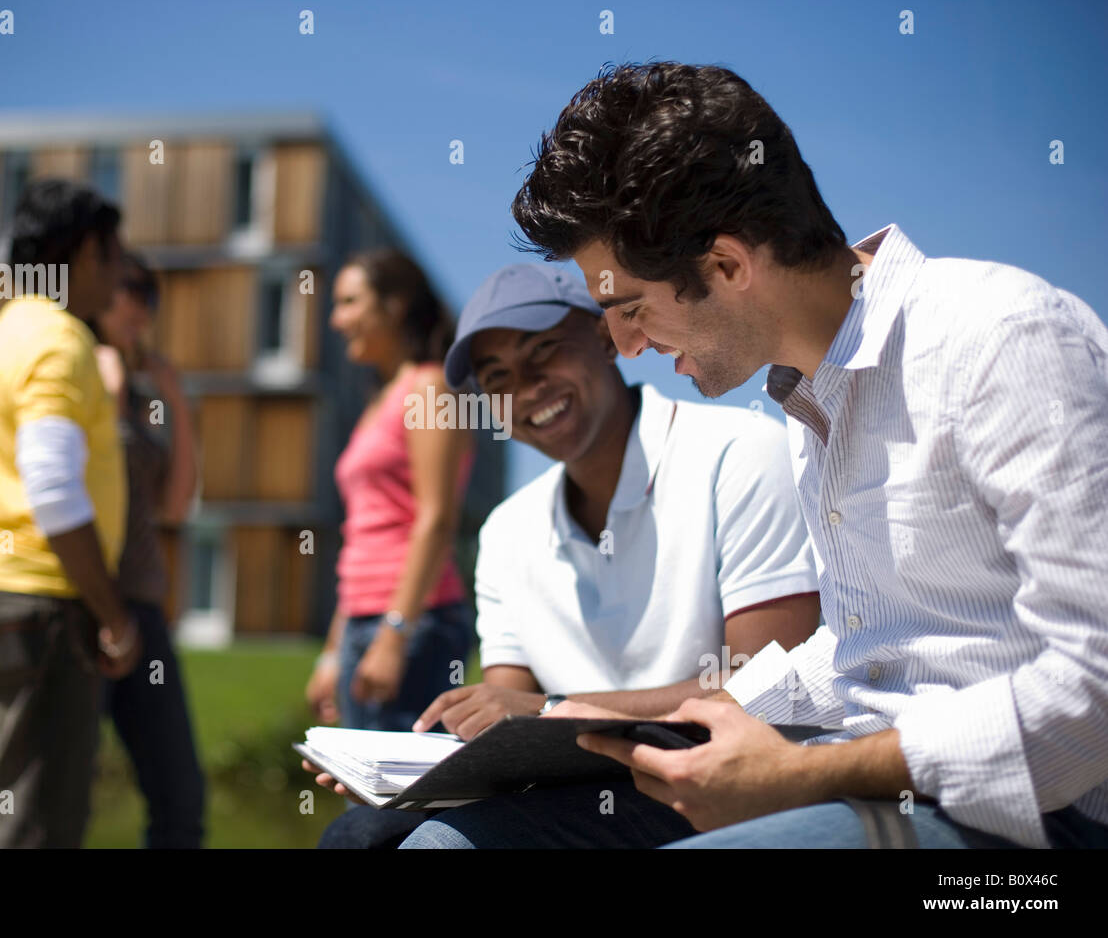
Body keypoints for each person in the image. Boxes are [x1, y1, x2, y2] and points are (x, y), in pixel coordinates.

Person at [422, 58, 1108, 850]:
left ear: (726, 266)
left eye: (630, 308)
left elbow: (1091, 696)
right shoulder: (808, 399)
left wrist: (802, 777)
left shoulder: (1000, 340)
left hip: (1033, 830)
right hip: (873, 781)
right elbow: (859, 659)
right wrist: (664, 720)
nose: (626, 345)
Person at [311, 263, 820, 848]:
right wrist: (406, 781)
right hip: (575, 789)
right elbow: (504, 721)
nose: (526, 389)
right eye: (497, 376)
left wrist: (554, 708)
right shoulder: (507, 531)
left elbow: (766, 684)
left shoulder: (740, 452)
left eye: (544, 352)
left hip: (721, 785)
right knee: (360, 835)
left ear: (606, 339)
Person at [0, 178, 140, 848]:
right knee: (36, 825)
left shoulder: (3, 334)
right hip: (42, 601)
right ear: (87, 251)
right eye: (115, 259)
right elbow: (54, 487)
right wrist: (114, 614)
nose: (119, 280)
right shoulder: (60, 341)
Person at [304, 250, 475, 737]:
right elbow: (363, 534)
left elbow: (437, 518)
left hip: (415, 624)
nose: (337, 320)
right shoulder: (379, 399)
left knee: (394, 804)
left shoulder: (429, 389)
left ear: (395, 306)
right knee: (363, 794)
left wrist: (395, 634)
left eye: (351, 302)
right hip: (366, 619)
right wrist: (335, 651)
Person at [93, 252, 206, 848]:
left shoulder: (142, 397)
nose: (141, 308)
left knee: (180, 796)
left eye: (148, 298)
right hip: (87, 601)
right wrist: (109, 392)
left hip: (143, 604)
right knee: (65, 793)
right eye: (128, 292)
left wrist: (175, 399)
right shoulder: (81, 373)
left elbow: (175, 506)